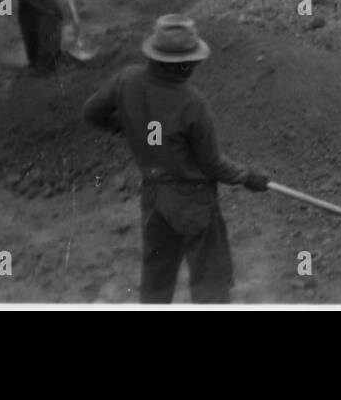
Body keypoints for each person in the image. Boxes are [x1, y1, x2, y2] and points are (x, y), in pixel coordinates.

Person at [82, 15, 270, 304]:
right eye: (193, 61)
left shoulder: (127, 80)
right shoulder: (191, 102)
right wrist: (247, 177)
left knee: (156, 281)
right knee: (211, 282)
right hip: (191, 202)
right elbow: (212, 164)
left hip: (154, 197)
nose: (196, 66)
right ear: (183, 64)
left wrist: (129, 126)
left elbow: (92, 112)